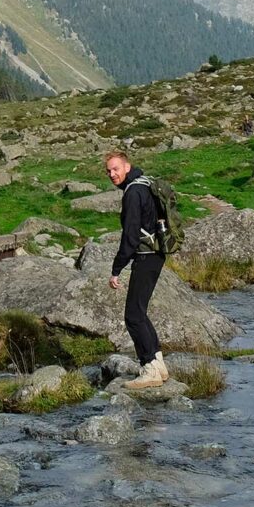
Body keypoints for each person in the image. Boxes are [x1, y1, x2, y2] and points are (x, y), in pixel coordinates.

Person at [105, 150, 172, 389]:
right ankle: (159, 365)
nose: (112, 174)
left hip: (146, 256)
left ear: (126, 166)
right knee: (140, 312)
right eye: (108, 171)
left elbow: (131, 236)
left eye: (115, 169)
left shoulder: (133, 193)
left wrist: (117, 268)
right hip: (157, 254)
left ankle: (149, 369)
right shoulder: (144, 183)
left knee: (133, 316)